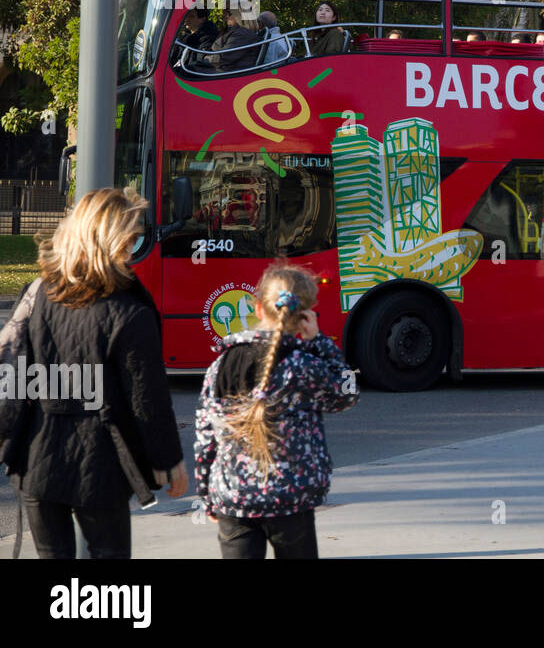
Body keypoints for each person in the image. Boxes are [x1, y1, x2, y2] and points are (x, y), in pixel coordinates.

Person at [1, 188, 186, 558]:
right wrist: (169, 462)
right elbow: (147, 401)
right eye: (132, 236)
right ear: (116, 241)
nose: (134, 245)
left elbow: (14, 371)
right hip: (100, 467)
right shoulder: (130, 313)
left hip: (38, 460)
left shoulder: (39, 295)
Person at [194, 262, 358, 559]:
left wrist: (207, 494)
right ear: (304, 315)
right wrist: (320, 342)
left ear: (258, 308)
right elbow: (347, 394)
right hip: (290, 498)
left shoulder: (221, 365)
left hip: (233, 499)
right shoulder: (304, 366)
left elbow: (206, 435)